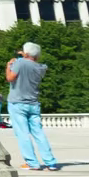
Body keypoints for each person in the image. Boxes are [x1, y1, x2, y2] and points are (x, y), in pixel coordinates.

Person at [5, 42, 60, 170]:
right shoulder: (41, 67)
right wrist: (23, 56)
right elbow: (29, 64)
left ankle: (32, 162)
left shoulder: (19, 63)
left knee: (23, 134)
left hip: (17, 102)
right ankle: (50, 161)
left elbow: (10, 78)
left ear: (26, 53)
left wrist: (8, 66)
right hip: (33, 103)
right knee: (39, 133)